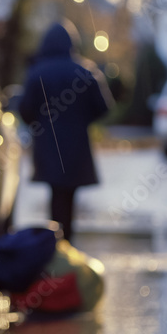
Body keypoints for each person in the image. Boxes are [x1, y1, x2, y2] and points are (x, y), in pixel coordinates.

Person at [18, 20, 112, 242]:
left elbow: (25, 109)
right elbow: (103, 108)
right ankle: (66, 243)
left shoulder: (37, 72)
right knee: (69, 196)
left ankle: (57, 244)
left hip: (48, 147)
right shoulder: (85, 71)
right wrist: (80, 121)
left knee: (56, 195)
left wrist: (40, 124)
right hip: (76, 147)